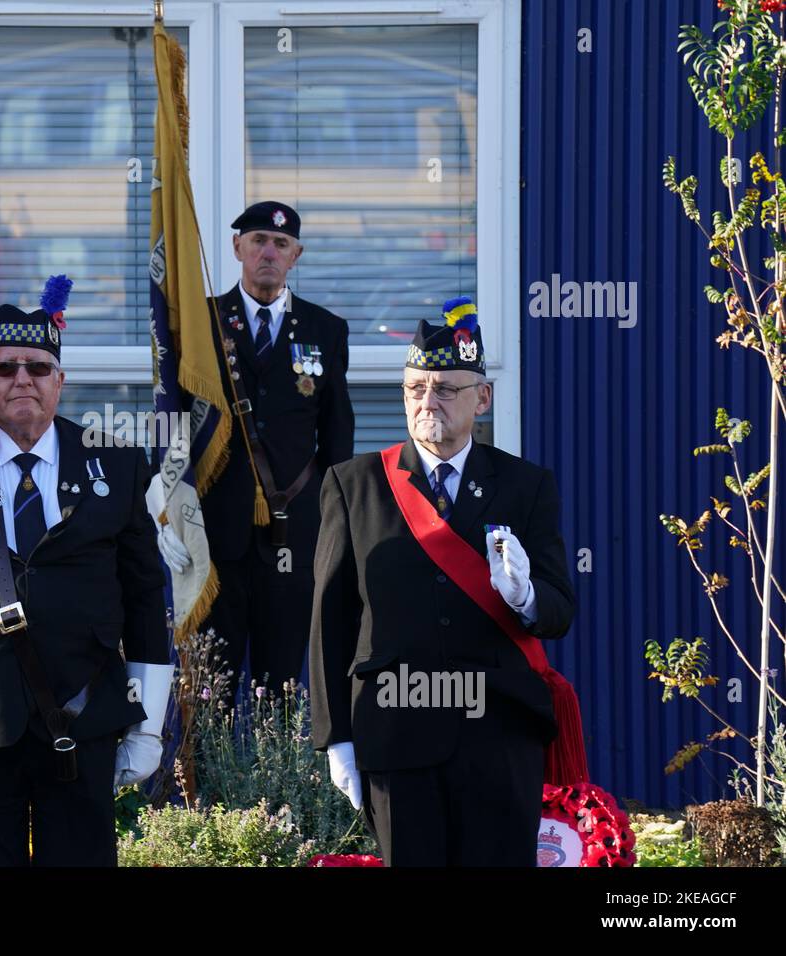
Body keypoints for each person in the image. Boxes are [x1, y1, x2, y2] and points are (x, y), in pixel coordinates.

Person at [308, 297, 576, 866]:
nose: (427, 403)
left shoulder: (526, 486)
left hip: (499, 734)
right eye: (415, 389)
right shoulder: (353, 486)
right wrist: (337, 739)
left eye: (446, 389)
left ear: (483, 397)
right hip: (395, 733)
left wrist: (523, 595)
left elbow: (560, 611)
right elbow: (329, 622)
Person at [0, 277, 173, 866]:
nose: (23, 379)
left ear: (60, 381)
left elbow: (146, 597)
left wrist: (147, 724)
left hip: (83, 711)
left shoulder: (115, 462)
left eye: (39, 368)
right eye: (5, 368)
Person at [173, 201, 354, 695]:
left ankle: (283, 776)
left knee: (282, 683)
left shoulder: (324, 329)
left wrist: (337, 522)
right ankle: (207, 775)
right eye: (258, 241)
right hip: (216, 530)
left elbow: (338, 434)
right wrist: (169, 507)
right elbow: (174, 420)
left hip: (294, 531)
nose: (268, 253)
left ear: (296, 255)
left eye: (280, 244)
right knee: (213, 686)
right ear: (237, 248)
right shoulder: (201, 324)